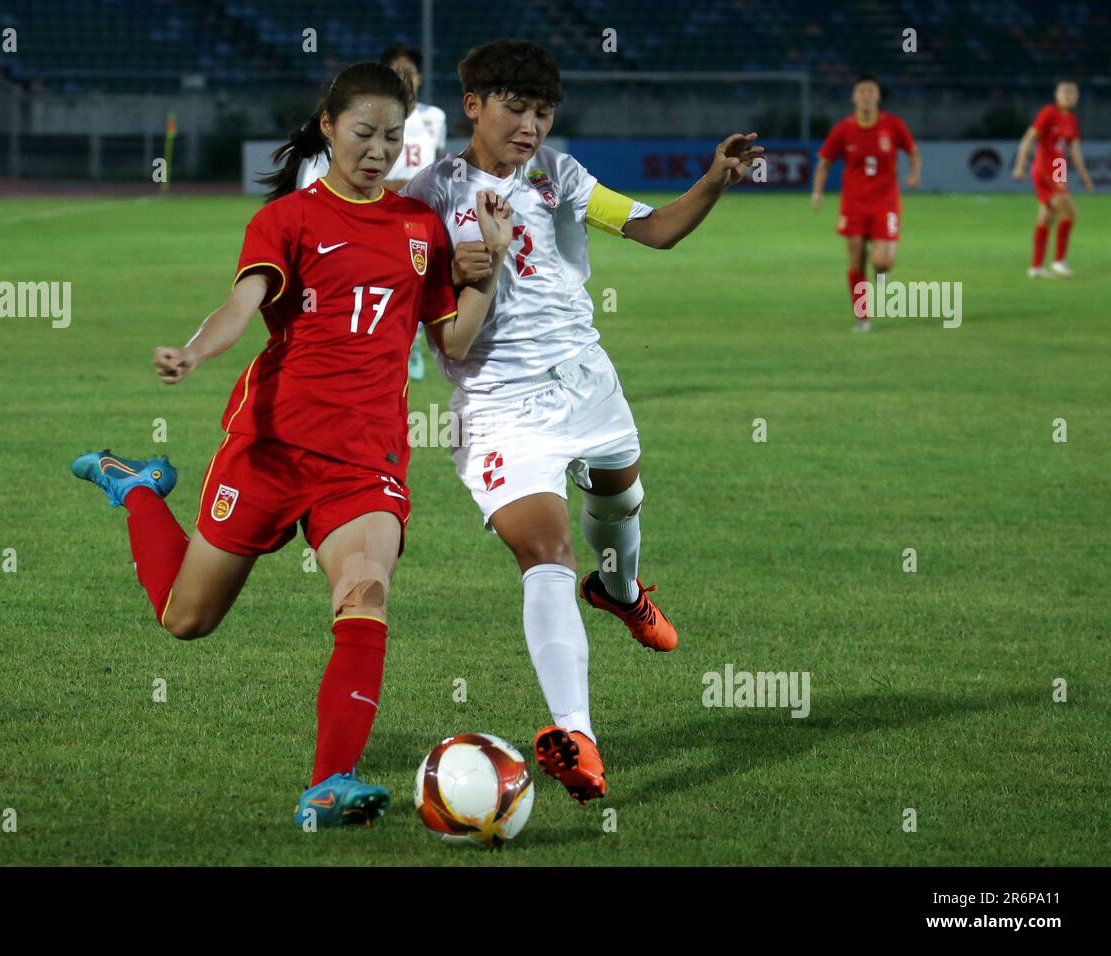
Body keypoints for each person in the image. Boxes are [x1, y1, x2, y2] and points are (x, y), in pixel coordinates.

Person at [72, 62, 509, 828]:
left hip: (364, 459)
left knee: (366, 592)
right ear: (330, 127)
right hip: (270, 447)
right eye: (365, 133)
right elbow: (239, 309)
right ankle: (135, 486)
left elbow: (455, 341)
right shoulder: (288, 220)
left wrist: (488, 273)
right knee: (186, 618)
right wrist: (193, 352)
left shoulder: (419, 230)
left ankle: (327, 785)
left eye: (393, 138)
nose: (378, 150)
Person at [403, 39, 762, 805]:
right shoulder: (428, 199)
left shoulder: (560, 175)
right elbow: (450, 342)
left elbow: (655, 230)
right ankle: (579, 737)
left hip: (589, 387)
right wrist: (484, 266)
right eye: (515, 108)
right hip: (501, 412)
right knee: (548, 554)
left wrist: (714, 179)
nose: (531, 125)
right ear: (473, 106)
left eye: (543, 111)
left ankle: (623, 593)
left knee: (619, 506)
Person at [296, 44, 448, 380]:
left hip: (415, 220)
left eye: (411, 73)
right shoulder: (361, 124)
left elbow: (436, 165)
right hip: (374, 214)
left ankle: (410, 344)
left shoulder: (433, 118)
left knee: (418, 286)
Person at [811, 74, 920, 332]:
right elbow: (824, 163)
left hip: (886, 202)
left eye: (871, 91)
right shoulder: (843, 129)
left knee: (882, 262)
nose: (866, 96)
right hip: (854, 204)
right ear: (853, 97)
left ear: (878, 96)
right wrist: (817, 193)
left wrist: (914, 175)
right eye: (861, 91)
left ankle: (880, 269)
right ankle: (863, 317)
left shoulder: (893, 125)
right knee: (856, 255)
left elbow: (913, 152)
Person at [1013, 79, 1094, 278]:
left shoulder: (1071, 119)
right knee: (1070, 213)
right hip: (1045, 168)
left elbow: (1074, 150)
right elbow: (1028, 139)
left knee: (1047, 217)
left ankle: (1036, 267)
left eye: (1072, 93)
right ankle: (1059, 262)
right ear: (1056, 95)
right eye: (1064, 92)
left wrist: (1084, 176)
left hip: (1060, 167)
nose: (1069, 96)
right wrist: (1019, 166)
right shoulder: (1048, 113)